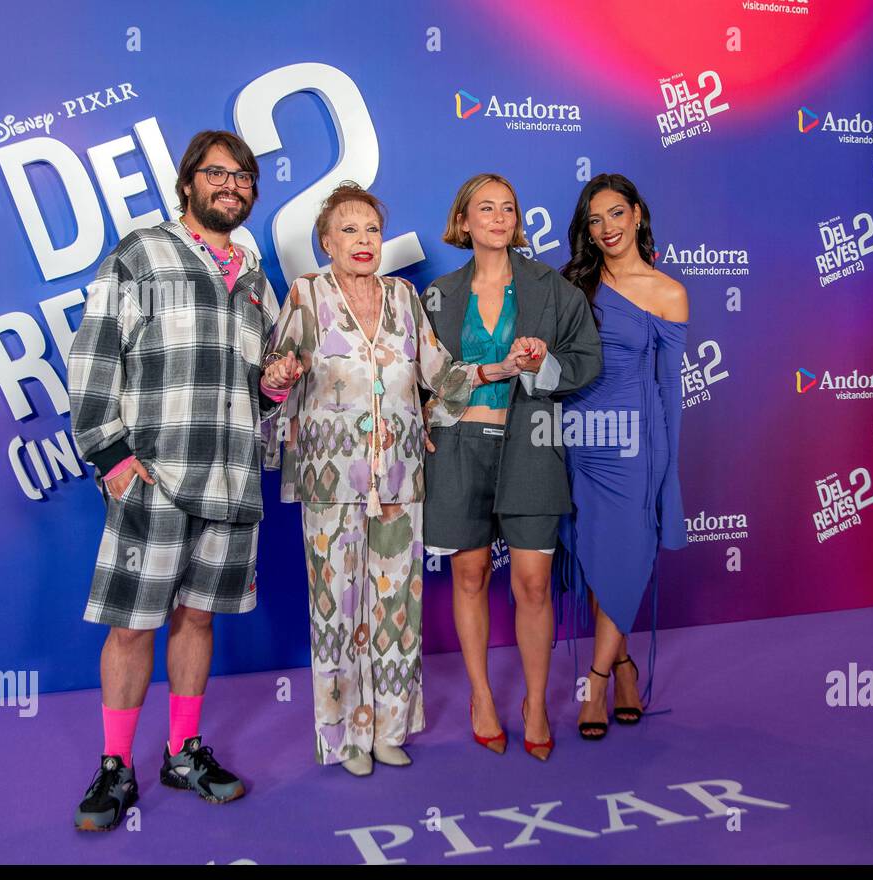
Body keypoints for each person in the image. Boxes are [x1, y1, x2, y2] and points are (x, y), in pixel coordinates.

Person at [263, 183, 530, 775]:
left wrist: (501, 367)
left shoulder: (406, 298)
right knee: (337, 609)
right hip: (331, 479)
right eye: (349, 231)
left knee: (395, 607)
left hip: (402, 475)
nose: (363, 242)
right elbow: (271, 380)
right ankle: (346, 738)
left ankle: (388, 728)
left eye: (372, 231)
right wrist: (279, 375)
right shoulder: (306, 296)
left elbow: (440, 374)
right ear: (325, 242)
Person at [68, 130, 281, 830]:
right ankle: (115, 765)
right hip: (154, 476)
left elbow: (259, 378)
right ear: (187, 182)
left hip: (229, 478)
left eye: (243, 175)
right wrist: (113, 458)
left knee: (197, 617)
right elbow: (95, 355)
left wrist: (277, 384)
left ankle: (183, 750)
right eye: (216, 173)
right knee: (133, 626)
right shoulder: (141, 253)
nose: (232, 184)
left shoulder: (252, 273)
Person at [421, 173, 602, 760]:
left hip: (532, 443)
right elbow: (420, 378)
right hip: (457, 449)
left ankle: (536, 702)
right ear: (464, 220)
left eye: (508, 208)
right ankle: (480, 696)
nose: (498, 217)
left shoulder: (551, 289)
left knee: (531, 583)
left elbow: (587, 359)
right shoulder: (439, 295)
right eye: (485, 208)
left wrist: (545, 362)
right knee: (470, 576)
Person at [557, 173, 688, 740]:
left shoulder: (668, 292)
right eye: (594, 219)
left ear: (637, 214)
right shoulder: (574, 284)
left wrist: (668, 473)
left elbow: (670, 393)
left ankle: (597, 679)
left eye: (615, 214)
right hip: (578, 437)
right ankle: (626, 666)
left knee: (627, 553)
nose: (606, 228)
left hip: (635, 447)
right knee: (597, 553)